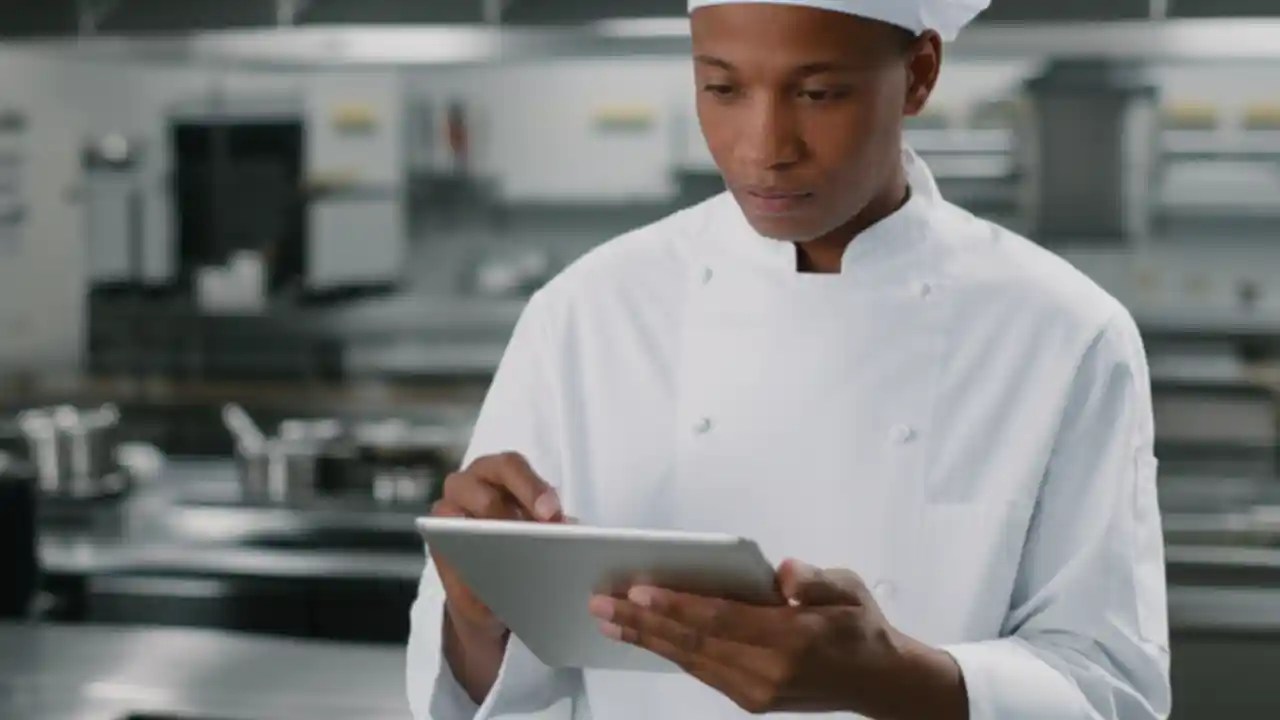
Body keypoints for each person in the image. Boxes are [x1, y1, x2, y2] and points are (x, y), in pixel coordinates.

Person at [407, 0, 1172, 718]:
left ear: (919, 75)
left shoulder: (1064, 333)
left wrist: (897, 677)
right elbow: (480, 686)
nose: (764, 147)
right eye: (722, 88)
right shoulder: (588, 314)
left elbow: (1112, 690)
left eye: (818, 94)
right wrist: (477, 618)